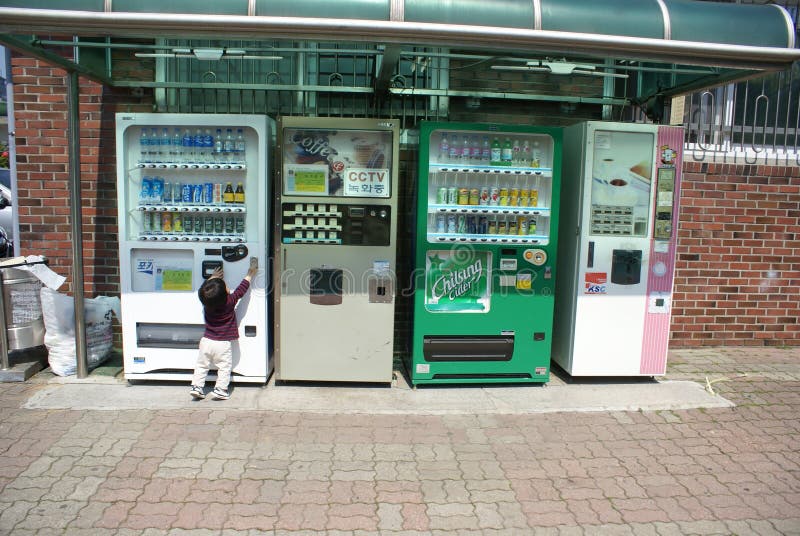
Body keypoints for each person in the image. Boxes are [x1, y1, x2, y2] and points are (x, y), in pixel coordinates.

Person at [190, 260, 257, 400]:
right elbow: (240, 291)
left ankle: (197, 387)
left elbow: (203, 291)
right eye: (226, 286)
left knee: (202, 365)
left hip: (206, 341)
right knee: (224, 367)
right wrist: (249, 275)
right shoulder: (229, 302)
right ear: (226, 292)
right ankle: (220, 389)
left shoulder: (206, 303)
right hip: (222, 343)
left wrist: (213, 277)